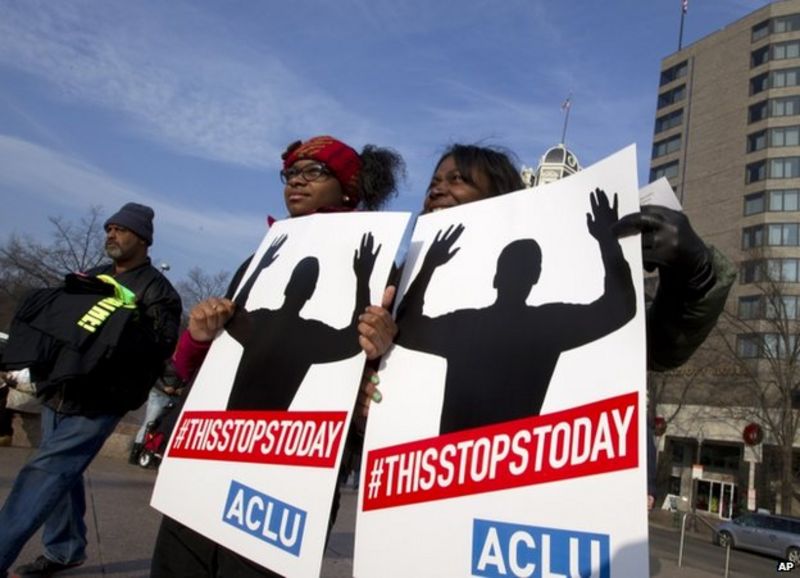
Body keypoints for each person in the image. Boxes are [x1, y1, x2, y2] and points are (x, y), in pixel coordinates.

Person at [357, 143, 736, 504]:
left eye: (458, 180)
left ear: (507, 204)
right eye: (434, 182)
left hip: (522, 504)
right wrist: (367, 392)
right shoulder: (398, 289)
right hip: (423, 502)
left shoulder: (548, 314)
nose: (438, 190)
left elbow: (634, 326)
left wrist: (695, 272)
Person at [150, 135, 403, 578]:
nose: (295, 183)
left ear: (348, 187)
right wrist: (197, 336)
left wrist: (379, 341)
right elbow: (200, 362)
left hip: (291, 474)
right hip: (209, 456)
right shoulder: (257, 263)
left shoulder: (385, 269)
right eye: (290, 173)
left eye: (313, 172)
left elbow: (361, 355)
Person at [0, 202, 182, 578]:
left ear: (143, 239)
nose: (111, 235)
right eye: (108, 229)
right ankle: (66, 549)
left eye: (121, 229)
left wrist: (125, 318)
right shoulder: (89, 276)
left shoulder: (158, 291)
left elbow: (159, 348)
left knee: (43, 472)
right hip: (60, 391)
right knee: (61, 476)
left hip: (100, 401)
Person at [395, 189, 636, 434]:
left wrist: (429, 265)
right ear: (536, 277)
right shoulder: (546, 325)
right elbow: (617, 308)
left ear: (496, 277)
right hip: (508, 462)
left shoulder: (466, 325)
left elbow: (407, 329)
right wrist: (607, 241)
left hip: (460, 461)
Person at [129, 359, 186, 465]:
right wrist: (164, 387)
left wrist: (182, 389)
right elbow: (154, 375)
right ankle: (135, 453)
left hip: (174, 397)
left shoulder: (189, 361)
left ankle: (151, 452)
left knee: (162, 425)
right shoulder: (168, 360)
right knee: (149, 422)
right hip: (159, 394)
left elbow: (185, 379)